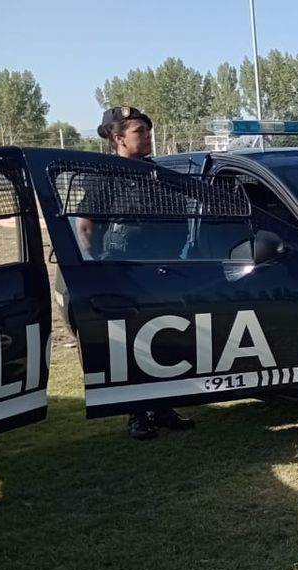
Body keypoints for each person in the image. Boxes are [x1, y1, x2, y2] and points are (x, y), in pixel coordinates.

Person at [78, 106, 197, 440]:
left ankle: (164, 408)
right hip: (123, 274)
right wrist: (97, 267)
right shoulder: (103, 176)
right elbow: (85, 227)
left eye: (147, 130)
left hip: (162, 270)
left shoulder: (157, 174)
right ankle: (137, 414)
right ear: (118, 138)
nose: (147, 137)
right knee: (131, 344)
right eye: (139, 131)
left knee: (166, 340)